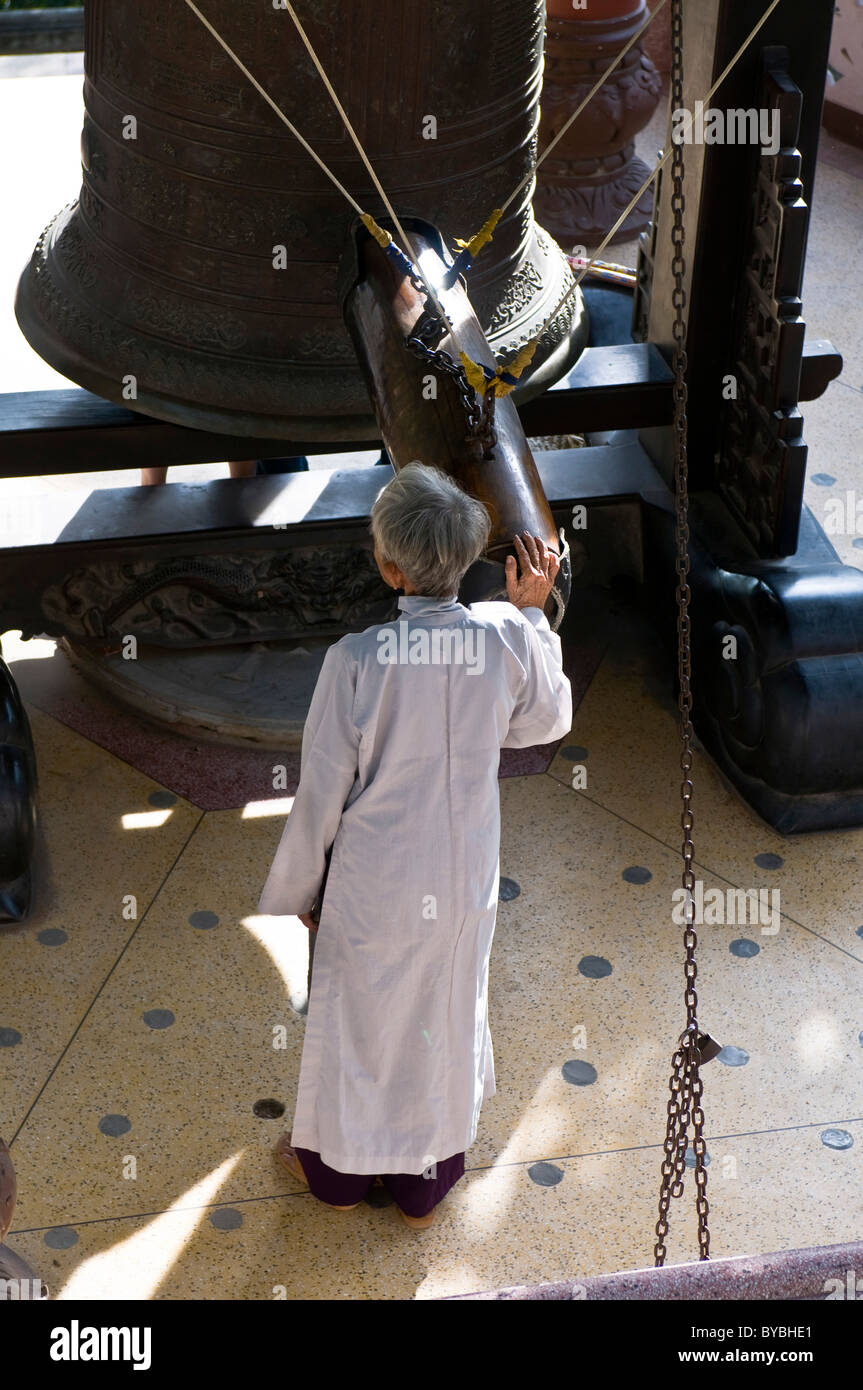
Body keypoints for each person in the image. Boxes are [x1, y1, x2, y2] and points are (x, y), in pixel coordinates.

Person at [257, 462, 572, 1229]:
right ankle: (420, 1190)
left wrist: (301, 891)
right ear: (466, 558)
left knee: (361, 1020)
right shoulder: (500, 636)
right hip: (461, 873)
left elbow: (323, 792)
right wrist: (532, 616)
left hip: (372, 880)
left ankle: (334, 1178)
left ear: (387, 563)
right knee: (443, 1007)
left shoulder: (357, 660)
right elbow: (544, 724)